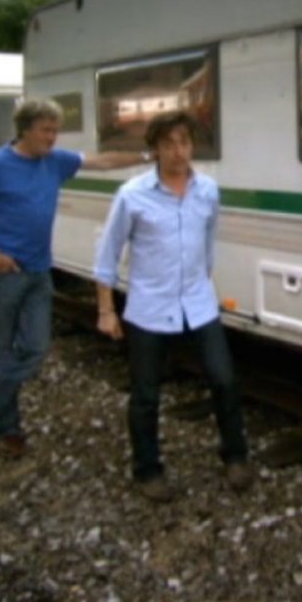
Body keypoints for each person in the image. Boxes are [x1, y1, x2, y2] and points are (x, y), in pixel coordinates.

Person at [0, 98, 149, 461]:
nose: (52, 138)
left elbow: (102, 160)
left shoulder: (55, 162)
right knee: (1, 353)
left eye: (55, 131)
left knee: (35, 347)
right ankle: (9, 431)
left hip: (39, 270)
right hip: (2, 273)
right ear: (25, 130)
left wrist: (144, 157)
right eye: (46, 131)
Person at [94, 111, 252, 502]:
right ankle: (148, 470)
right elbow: (108, 253)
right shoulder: (133, 195)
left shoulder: (208, 191)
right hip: (149, 308)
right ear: (155, 149)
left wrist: (205, 283)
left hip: (199, 303)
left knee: (224, 379)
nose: (178, 152)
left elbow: (208, 242)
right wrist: (106, 309)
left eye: (184, 142)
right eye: (168, 144)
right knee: (146, 394)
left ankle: (236, 456)